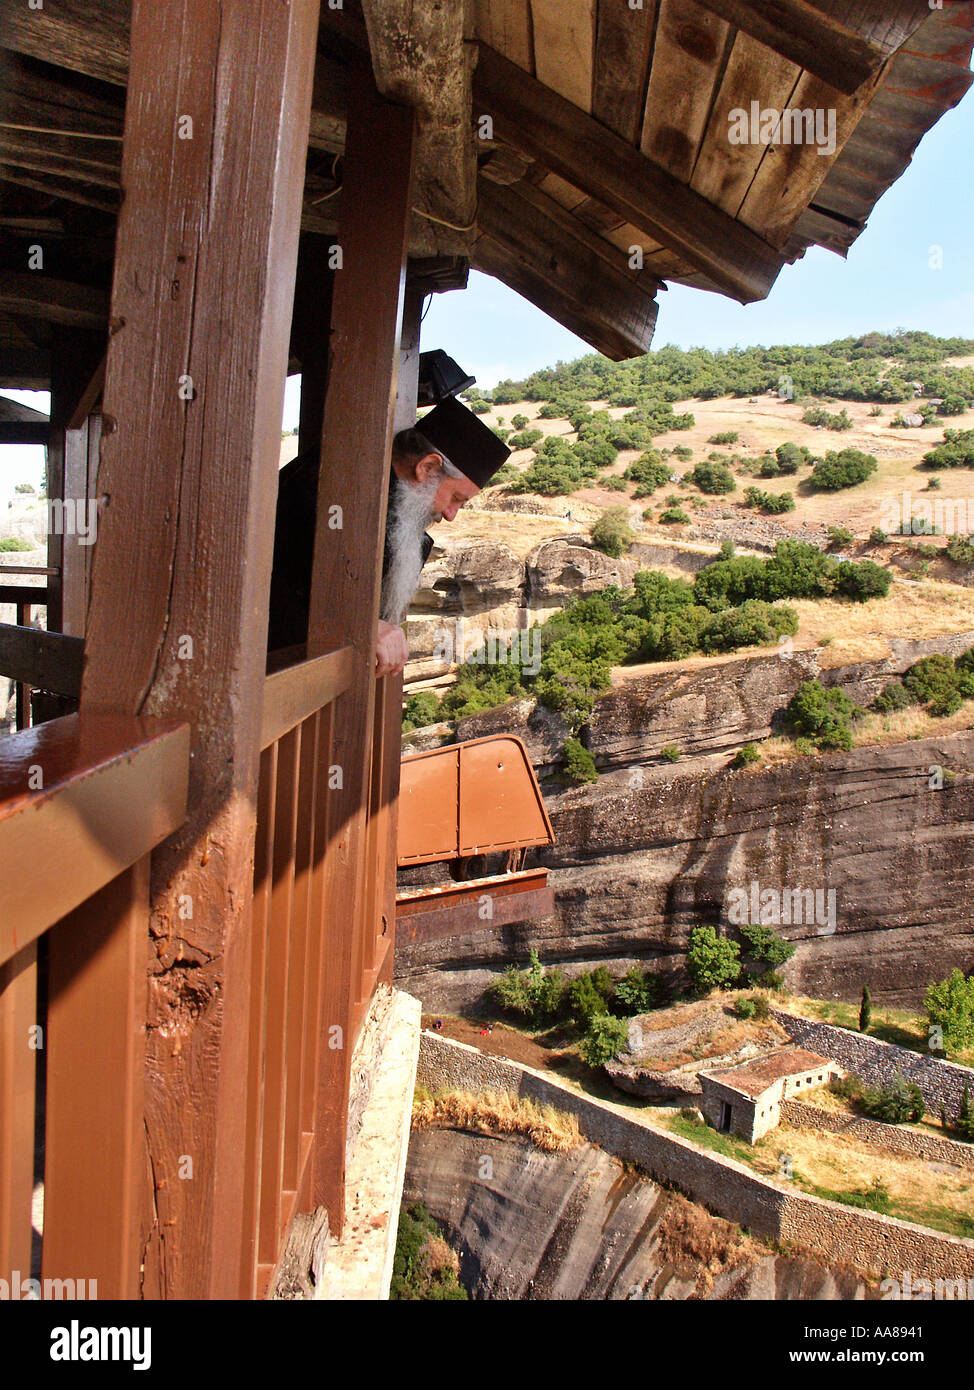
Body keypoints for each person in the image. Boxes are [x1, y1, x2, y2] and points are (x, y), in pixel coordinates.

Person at [268, 395, 510, 675]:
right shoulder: (331, 483)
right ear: (427, 467)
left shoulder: (394, 507)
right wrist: (362, 626)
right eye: (456, 497)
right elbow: (288, 585)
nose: (451, 514)